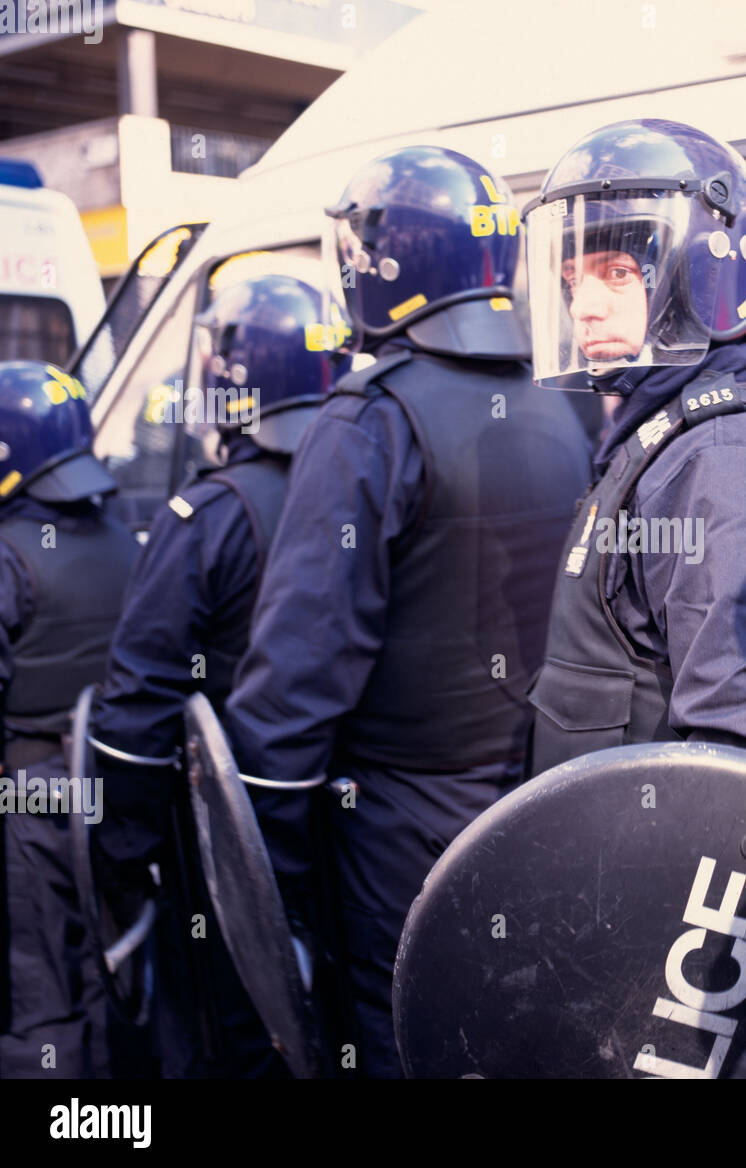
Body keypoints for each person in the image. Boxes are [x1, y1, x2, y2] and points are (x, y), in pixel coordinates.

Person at [220, 146, 593, 1078]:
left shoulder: (369, 419)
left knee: (403, 1045)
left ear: (384, 263)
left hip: (393, 825)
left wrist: (270, 859)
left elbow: (300, 671)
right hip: (537, 805)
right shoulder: (564, 403)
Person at [523, 117, 746, 782]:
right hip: (609, 860)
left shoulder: (732, 455)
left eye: (616, 273)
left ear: (704, 271)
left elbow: (742, 767)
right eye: (571, 278)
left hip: (652, 870)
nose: (582, 305)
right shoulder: (663, 430)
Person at [89, 272, 344, 1077]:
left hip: (231, 841)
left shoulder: (210, 515)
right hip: (355, 827)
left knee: (237, 1036)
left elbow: (139, 703)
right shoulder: (363, 480)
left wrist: (122, 855)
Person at [0, 360, 139, 1077]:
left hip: (30, 798)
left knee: (39, 986)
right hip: (117, 790)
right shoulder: (124, 535)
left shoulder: (8, 553)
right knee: (108, 974)